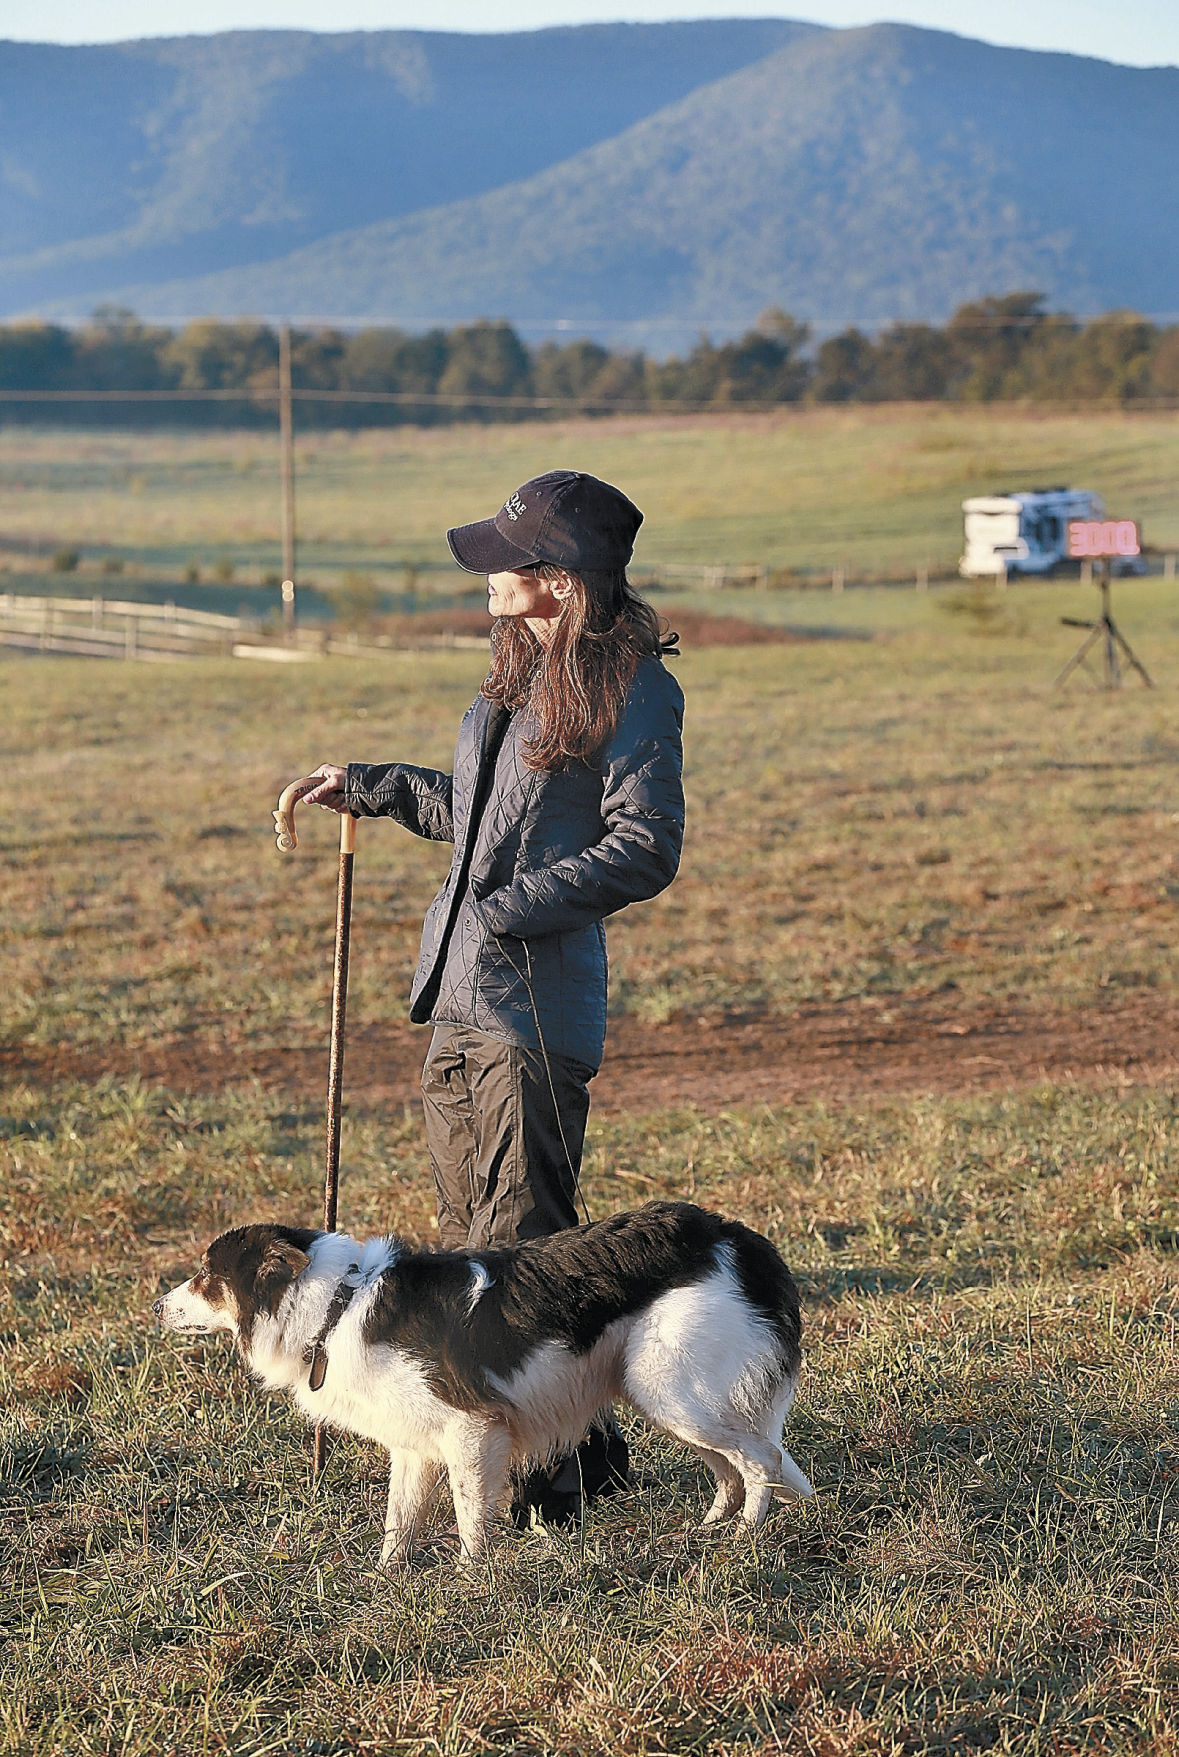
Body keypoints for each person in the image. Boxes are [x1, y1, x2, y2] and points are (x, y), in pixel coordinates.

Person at [297, 469, 685, 1524]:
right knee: (479, 1244)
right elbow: (477, 814)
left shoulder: (635, 684)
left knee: (526, 1247)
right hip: (459, 996)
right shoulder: (515, 671)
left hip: (534, 1008)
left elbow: (647, 845)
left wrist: (513, 906)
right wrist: (372, 785)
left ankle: (552, 1488)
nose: (486, 572)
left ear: (559, 576)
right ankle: (579, 1457)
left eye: (506, 557)